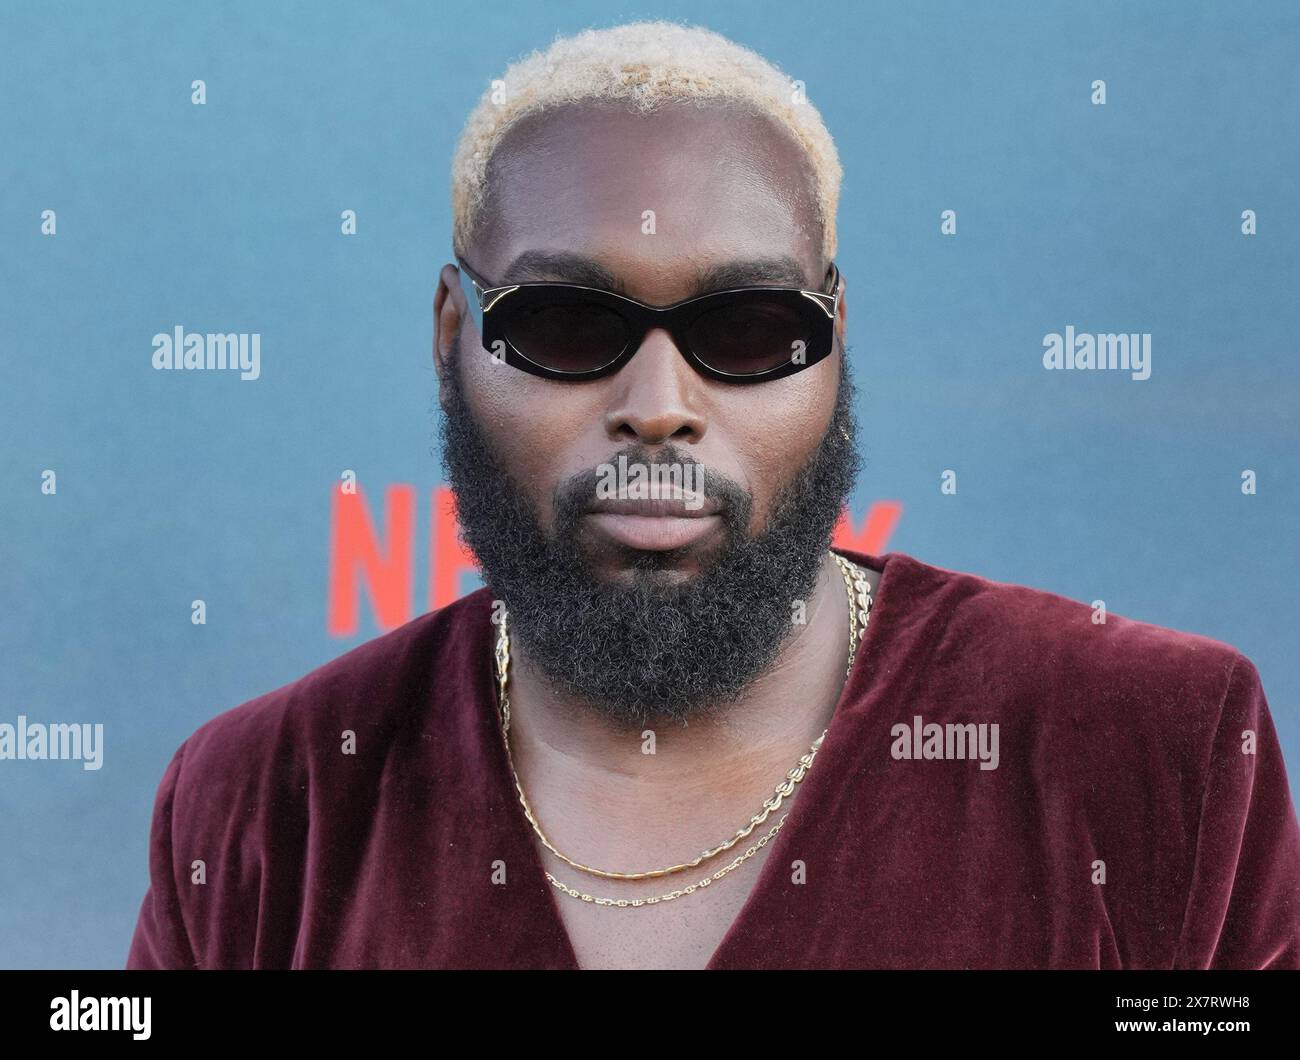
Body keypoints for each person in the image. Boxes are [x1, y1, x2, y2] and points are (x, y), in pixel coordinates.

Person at [127, 20, 1299, 970]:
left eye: (744, 330)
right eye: (567, 324)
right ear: (451, 340)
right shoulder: (261, 811)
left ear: (834, 341)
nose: (657, 402)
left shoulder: (1155, 753)